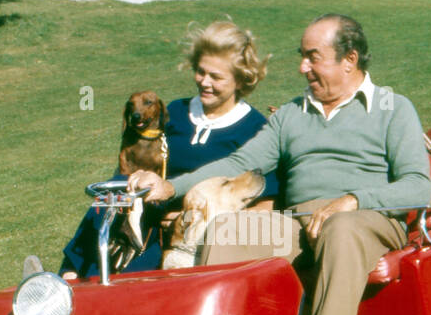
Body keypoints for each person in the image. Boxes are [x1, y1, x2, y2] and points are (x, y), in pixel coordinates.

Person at [129, 14, 431, 315]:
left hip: (368, 218)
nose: (302, 67)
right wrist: (170, 187)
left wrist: (352, 200)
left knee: (340, 230)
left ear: (349, 60)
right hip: (299, 221)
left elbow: (418, 185)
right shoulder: (292, 114)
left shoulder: (394, 108)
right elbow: (237, 165)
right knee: (229, 231)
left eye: (312, 57)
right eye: (301, 57)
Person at [59, 21, 277, 277]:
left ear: (241, 80)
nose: (204, 82)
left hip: (202, 238)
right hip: (145, 219)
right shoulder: (174, 113)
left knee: (135, 280)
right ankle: (69, 275)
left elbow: (265, 207)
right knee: (114, 191)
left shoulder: (255, 129)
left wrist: (191, 219)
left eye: (216, 77)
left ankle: (75, 279)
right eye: (200, 71)